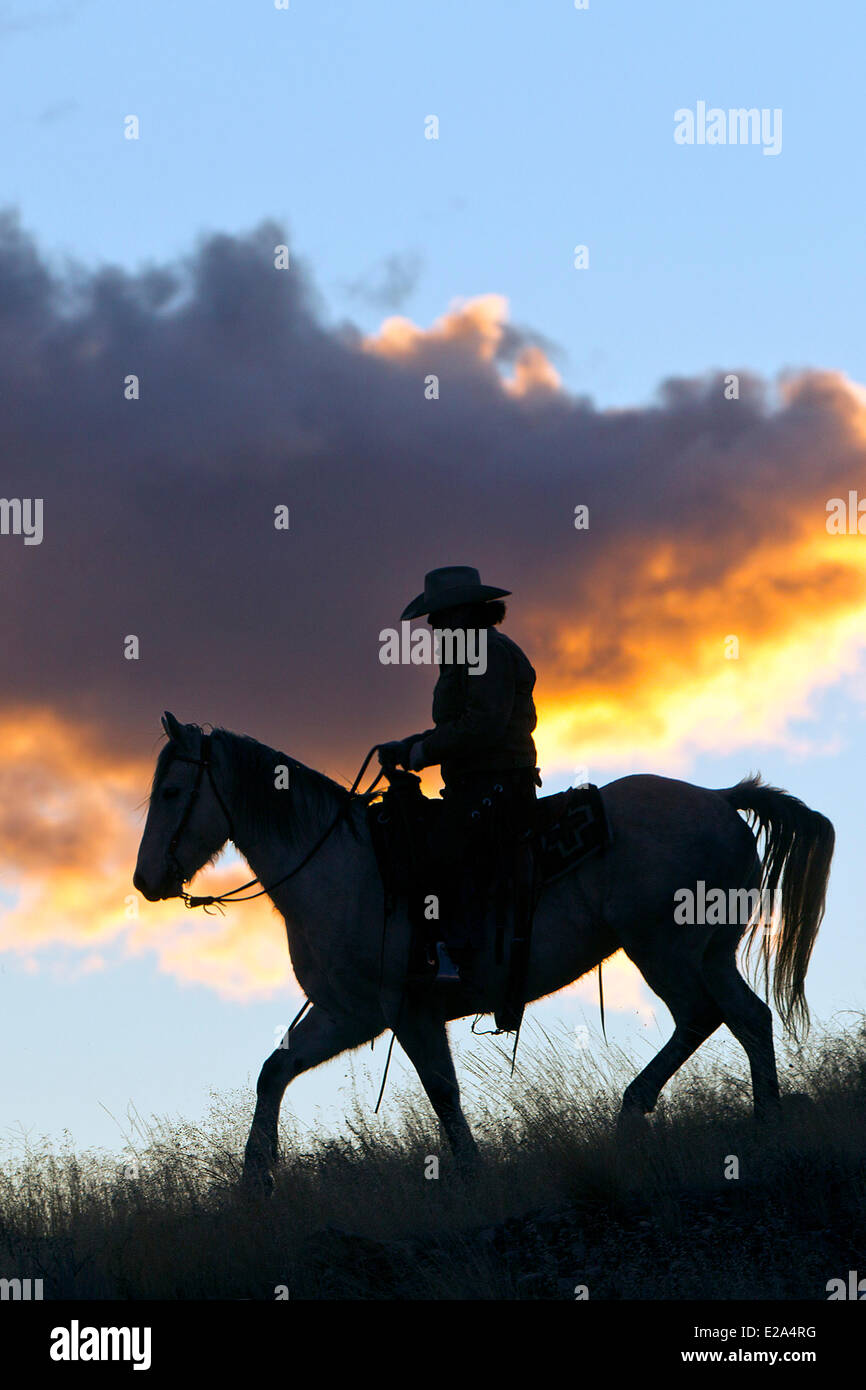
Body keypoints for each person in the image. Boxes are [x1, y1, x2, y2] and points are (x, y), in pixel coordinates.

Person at [379, 566, 540, 987]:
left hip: (497, 785)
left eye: (440, 614)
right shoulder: (471, 653)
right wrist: (410, 745)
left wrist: (420, 751)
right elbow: (462, 724)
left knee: (442, 849)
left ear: (465, 613)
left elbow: (483, 725)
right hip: (478, 783)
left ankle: (456, 956)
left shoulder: (485, 651)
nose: (432, 624)